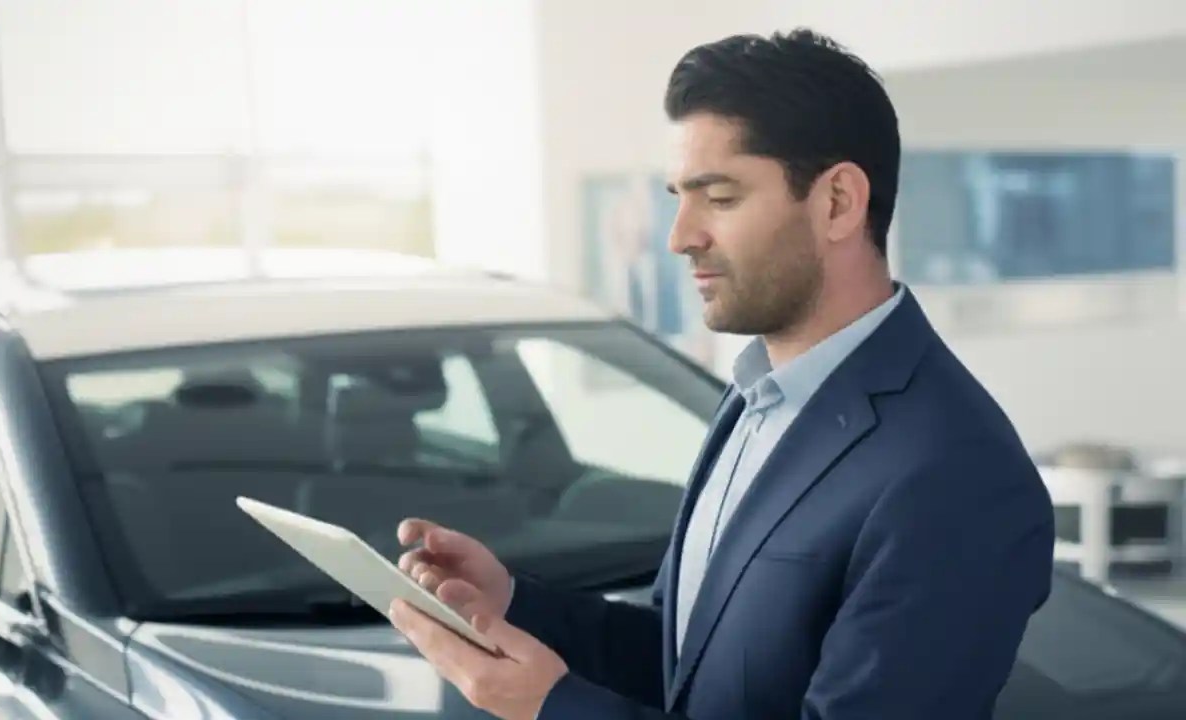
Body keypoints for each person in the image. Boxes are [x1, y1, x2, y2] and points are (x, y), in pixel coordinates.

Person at [387, 28, 1055, 720]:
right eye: (679, 195)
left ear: (837, 203)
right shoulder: (754, 395)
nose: (679, 236)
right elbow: (689, 665)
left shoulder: (956, 473)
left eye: (721, 197)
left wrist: (553, 709)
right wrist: (518, 605)